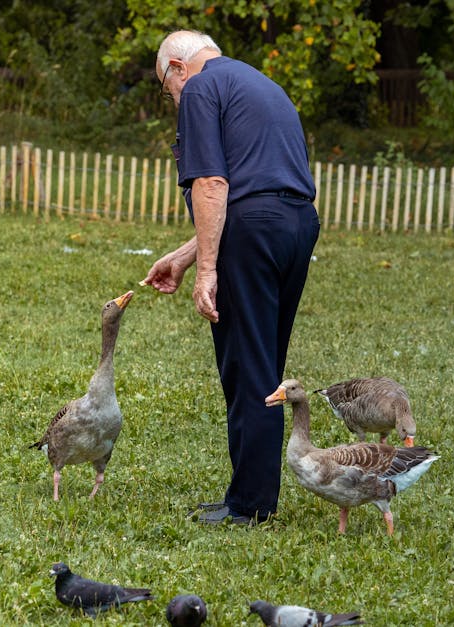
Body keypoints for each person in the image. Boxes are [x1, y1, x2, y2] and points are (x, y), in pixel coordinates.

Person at [142, 30, 320, 525]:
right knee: (265, 361)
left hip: (253, 232)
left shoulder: (199, 88)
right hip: (297, 226)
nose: (173, 98)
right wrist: (185, 255)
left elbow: (214, 184)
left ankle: (250, 506)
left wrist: (206, 271)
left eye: (166, 88)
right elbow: (256, 190)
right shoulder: (259, 83)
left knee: (246, 366)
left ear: (178, 68)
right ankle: (247, 494)